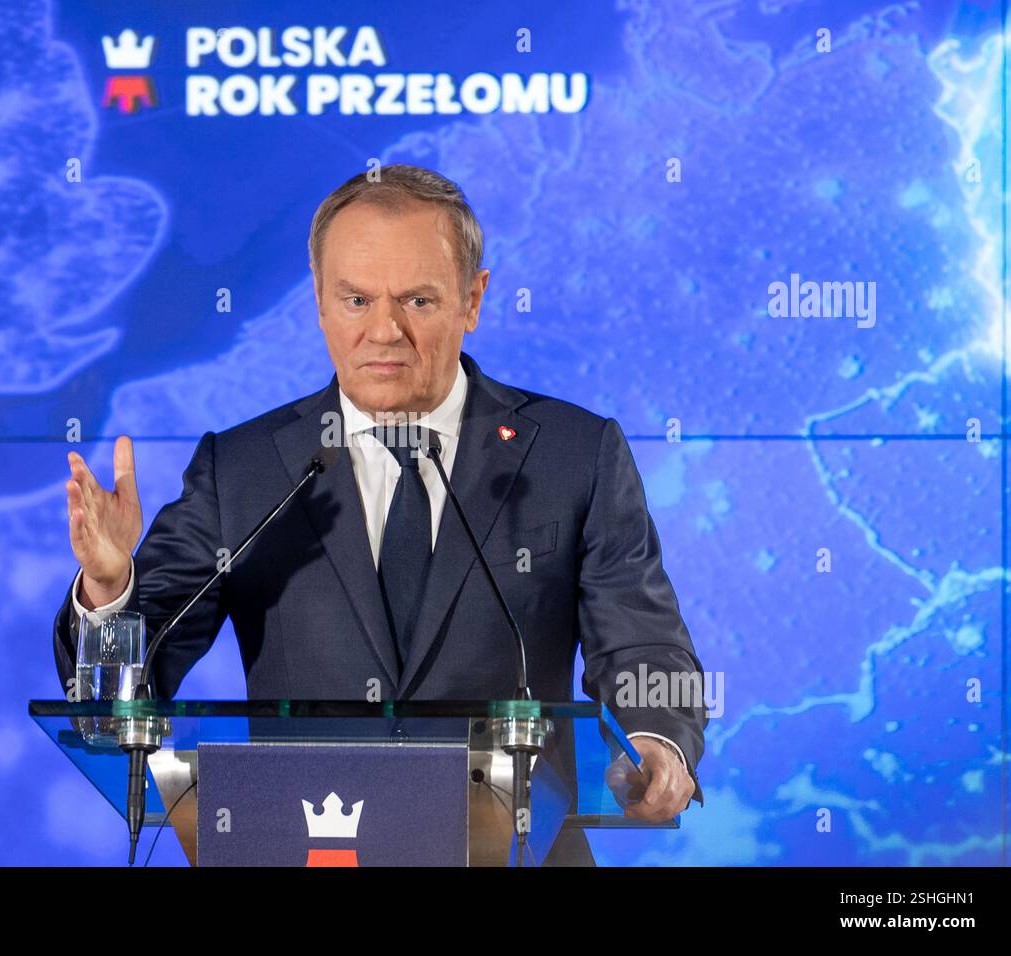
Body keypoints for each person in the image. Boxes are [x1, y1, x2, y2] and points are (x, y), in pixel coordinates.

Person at [53, 164, 706, 865]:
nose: (384, 331)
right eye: (356, 299)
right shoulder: (242, 471)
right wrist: (108, 591)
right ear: (321, 304)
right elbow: (134, 686)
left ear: (473, 299)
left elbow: (642, 641)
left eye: (418, 300)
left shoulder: (574, 454)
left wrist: (655, 740)